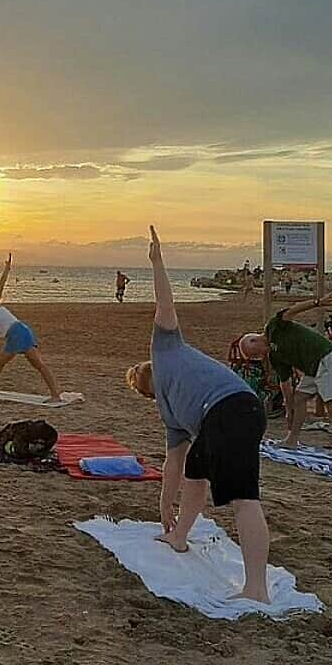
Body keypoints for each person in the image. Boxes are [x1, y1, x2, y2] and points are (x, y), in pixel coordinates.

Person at [126, 226, 270, 604]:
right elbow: (175, 464)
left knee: (244, 498)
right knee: (196, 470)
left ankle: (257, 589)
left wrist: (157, 262)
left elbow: (165, 305)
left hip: (231, 409)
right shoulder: (170, 410)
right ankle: (178, 536)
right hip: (230, 413)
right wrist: (164, 504)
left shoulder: (165, 350)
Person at [238, 289, 332, 464]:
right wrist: (289, 410)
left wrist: (318, 302)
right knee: (300, 398)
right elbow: (285, 384)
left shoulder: (273, 327)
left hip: (328, 357)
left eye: (256, 353)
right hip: (313, 368)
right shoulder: (274, 356)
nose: (260, 357)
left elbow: (292, 311)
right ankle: (292, 439)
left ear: (255, 340)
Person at [0, 253, 63, 402]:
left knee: (35, 364)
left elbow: (1, 285)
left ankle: (55, 395)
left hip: (18, 332)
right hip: (20, 332)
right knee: (3, 364)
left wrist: (7, 269)